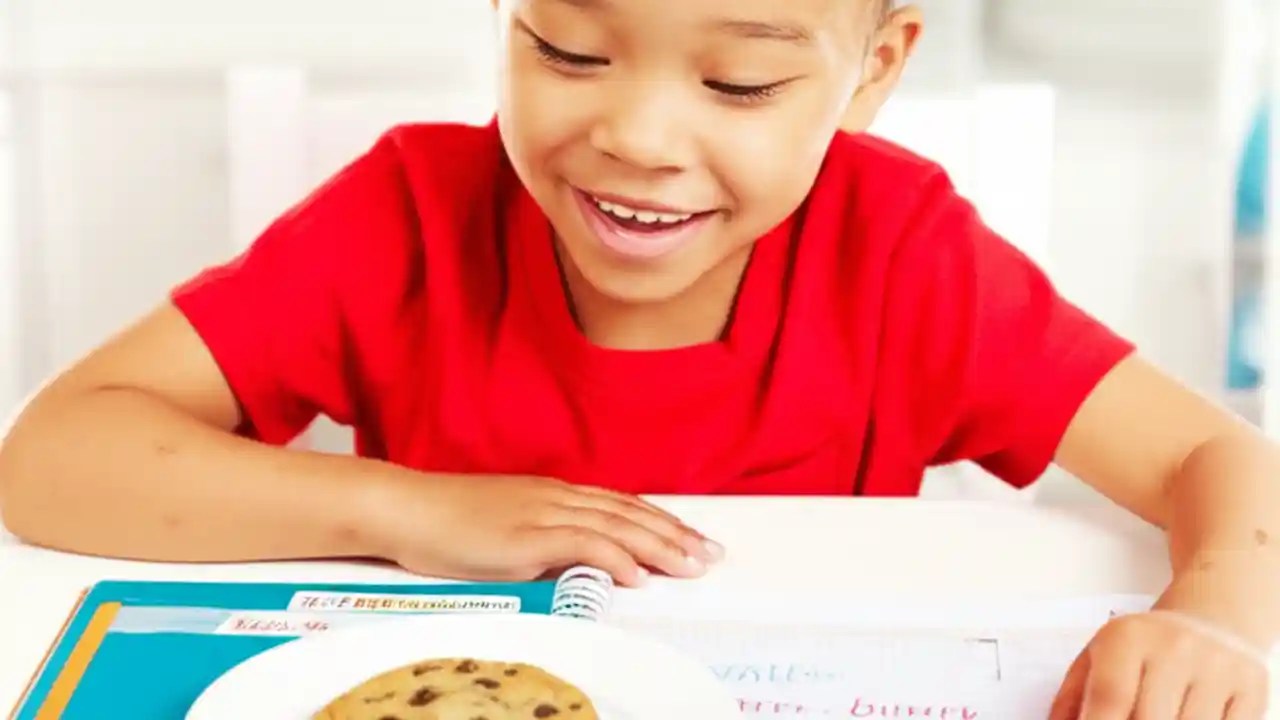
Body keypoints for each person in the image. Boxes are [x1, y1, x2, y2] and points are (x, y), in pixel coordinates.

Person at [1, 0, 1277, 716]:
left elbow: (1217, 455)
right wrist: (403, 511)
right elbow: (55, 456)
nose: (638, 138)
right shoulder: (399, 218)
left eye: (736, 85)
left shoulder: (900, 256)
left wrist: (1217, 622)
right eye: (566, 51)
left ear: (872, 69)